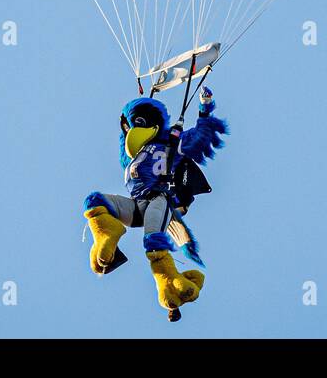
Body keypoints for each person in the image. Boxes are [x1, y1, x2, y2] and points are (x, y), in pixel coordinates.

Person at [82, 86, 228, 319]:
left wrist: (205, 107)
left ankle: (169, 282)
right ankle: (107, 235)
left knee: (153, 239)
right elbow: (125, 140)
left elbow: (202, 136)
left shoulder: (171, 143)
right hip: (135, 203)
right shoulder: (132, 155)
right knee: (95, 201)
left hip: (159, 201)